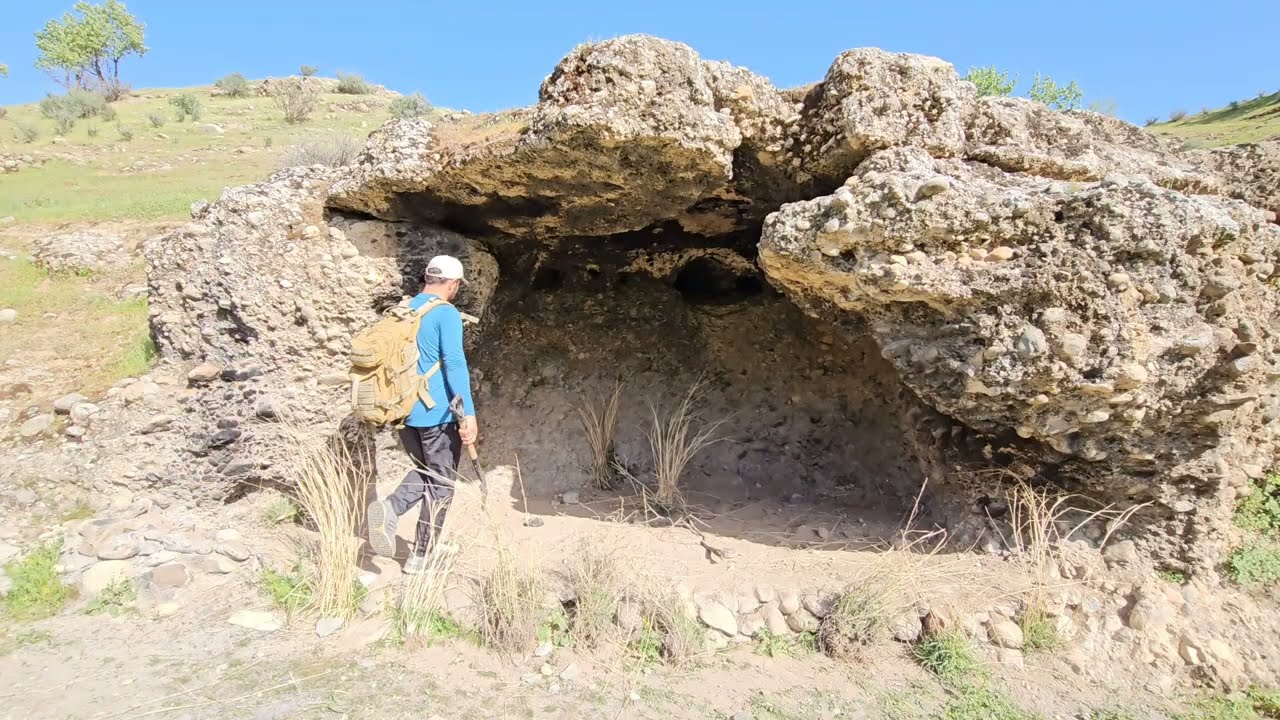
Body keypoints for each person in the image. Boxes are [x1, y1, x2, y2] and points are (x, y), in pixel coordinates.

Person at [367, 255, 479, 574]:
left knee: (427, 472)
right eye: (457, 285)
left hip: (404, 411)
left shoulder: (405, 309)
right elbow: (454, 364)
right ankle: (421, 554)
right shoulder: (446, 313)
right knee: (441, 483)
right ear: (452, 283)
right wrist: (468, 413)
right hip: (437, 415)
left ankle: (391, 512)